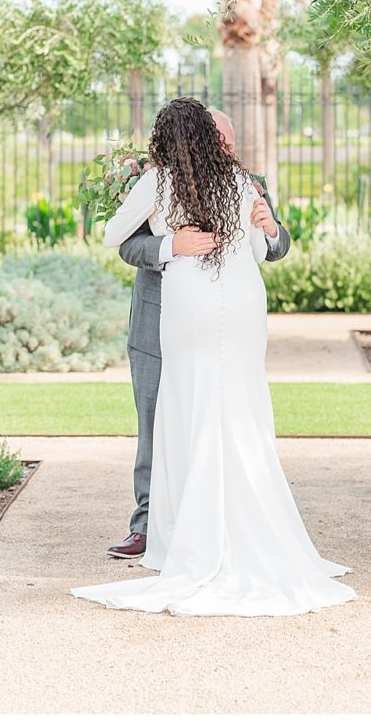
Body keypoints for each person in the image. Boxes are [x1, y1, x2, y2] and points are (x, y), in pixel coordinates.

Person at [73, 97, 352, 615]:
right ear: (208, 136)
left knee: (188, 415)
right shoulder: (238, 184)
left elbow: (114, 233)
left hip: (193, 314)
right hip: (240, 312)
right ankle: (221, 529)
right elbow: (244, 254)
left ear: (166, 139)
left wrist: (270, 228)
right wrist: (170, 243)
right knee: (233, 413)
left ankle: (186, 538)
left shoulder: (162, 183)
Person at [106, 106, 291, 560]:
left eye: (229, 141)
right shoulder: (158, 179)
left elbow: (269, 249)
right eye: (219, 140)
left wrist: (272, 230)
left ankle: (216, 523)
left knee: (221, 412)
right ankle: (150, 525)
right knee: (157, 420)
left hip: (218, 320)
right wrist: (172, 245)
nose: (225, 148)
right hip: (161, 318)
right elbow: (126, 242)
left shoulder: (244, 183)